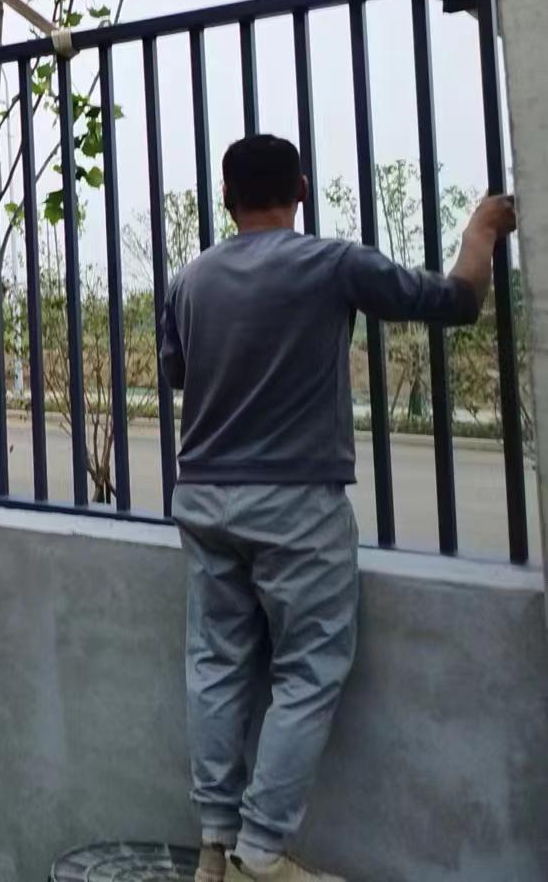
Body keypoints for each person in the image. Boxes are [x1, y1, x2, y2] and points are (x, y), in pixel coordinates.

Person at [160, 134, 516, 882]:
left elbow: (176, 372)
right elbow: (456, 302)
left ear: (226, 198)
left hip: (203, 496)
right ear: (301, 188)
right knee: (309, 668)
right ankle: (261, 853)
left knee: (216, 665)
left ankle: (215, 845)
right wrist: (482, 229)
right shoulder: (332, 264)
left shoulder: (189, 278)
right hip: (295, 501)